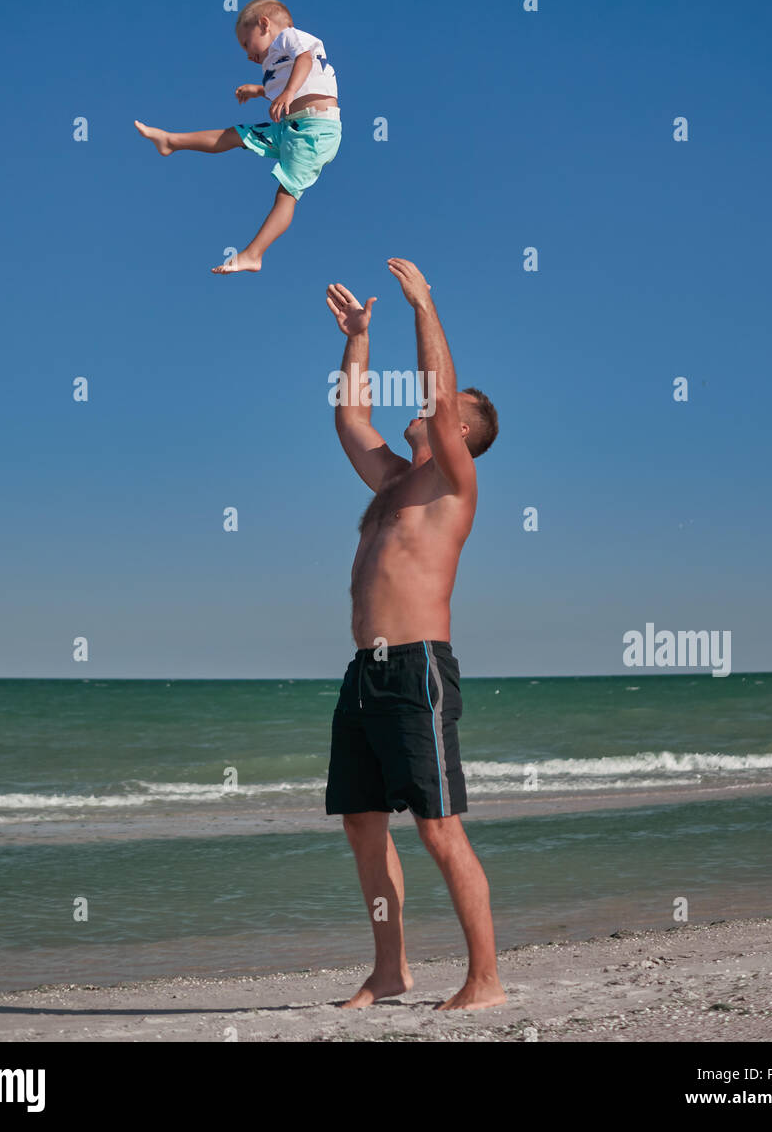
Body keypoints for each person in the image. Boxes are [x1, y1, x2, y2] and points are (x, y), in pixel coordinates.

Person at [324, 258, 506, 1011]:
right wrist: (360, 339)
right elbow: (349, 418)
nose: (429, 407)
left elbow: (436, 393)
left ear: (459, 429)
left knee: (439, 830)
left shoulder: (451, 483)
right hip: (363, 674)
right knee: (364, 825)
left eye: (446, 408)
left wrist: (423, 303)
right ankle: (391, 970)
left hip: (415, 669)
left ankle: (486, 980)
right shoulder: (396, 481)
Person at [135, 0, 340, 273]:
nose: (247, 54)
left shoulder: (291, 38)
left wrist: (288, 93)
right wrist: (258, 90)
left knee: (287, 193)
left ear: (264, 24)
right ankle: (171, 141)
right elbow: (283, 83)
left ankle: (254, 254)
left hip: (315, 131)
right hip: (290, 129)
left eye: (246, 43)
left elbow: (305, 61)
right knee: (236, 135)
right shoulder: (275, 67)